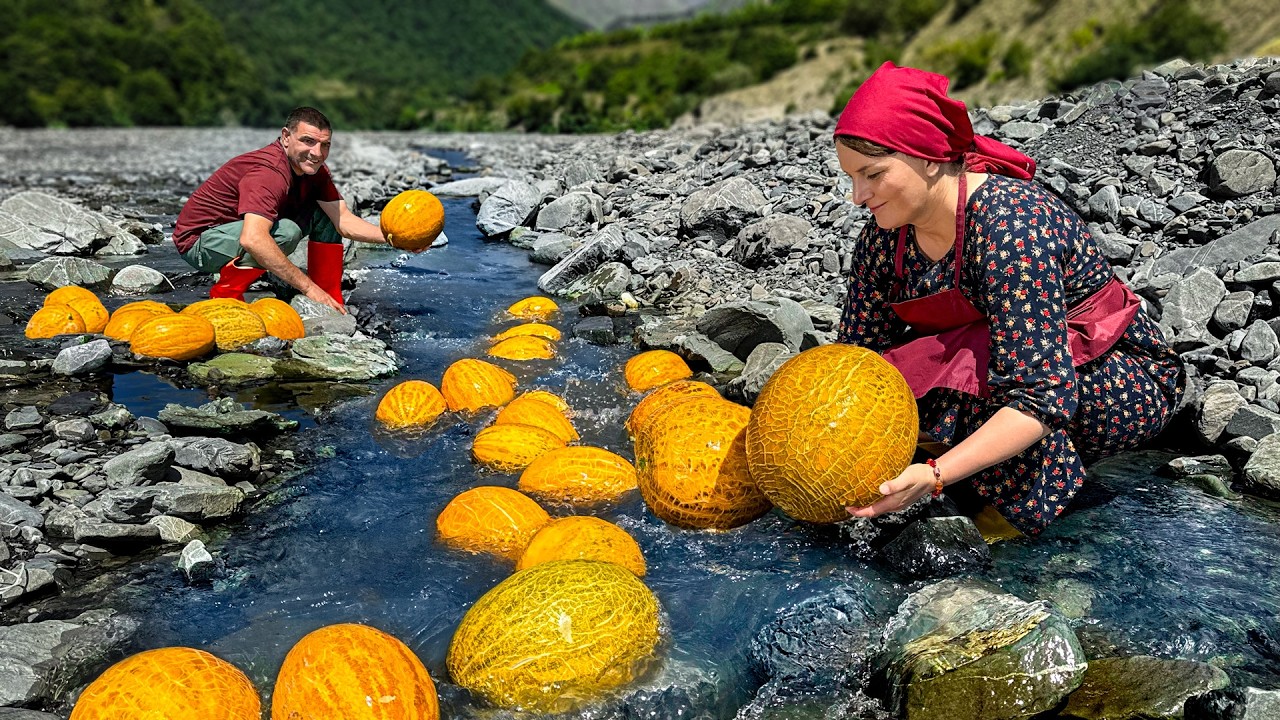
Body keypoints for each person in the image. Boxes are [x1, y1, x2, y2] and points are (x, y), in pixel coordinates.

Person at [833, 63, 1185, 536]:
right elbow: (857, 360)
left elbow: (1043, 395)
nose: (858, 197)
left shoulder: (1011, 226)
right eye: (851, 178)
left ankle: (1010, 517)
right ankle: (968, 461)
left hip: (1116, 381)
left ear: (929, 158)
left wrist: (935, 477)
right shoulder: (883, 239)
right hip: (1001, 367)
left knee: (983, 375)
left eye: (872, 174)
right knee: (898, 376)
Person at [172, 107, 395, 313]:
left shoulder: (313, 169)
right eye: (308, 141)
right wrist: (308, 288)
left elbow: (343, 219)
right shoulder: (268, 173)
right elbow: (253, 239)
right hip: (199, 242)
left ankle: (329, 298)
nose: (317, 153)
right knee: (286, 232)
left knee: (324, 214)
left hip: (237, 232)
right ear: (286, 137)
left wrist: (395, 238)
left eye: (325, 144)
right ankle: (225, 295)